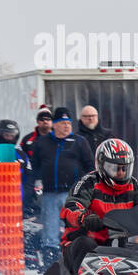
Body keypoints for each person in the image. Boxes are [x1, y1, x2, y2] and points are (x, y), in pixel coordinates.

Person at [59, 138, 138, 275]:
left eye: (125, 168)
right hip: (86, 243)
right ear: (102, 165)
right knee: (85, 243)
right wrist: (83, 217)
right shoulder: (88, 183)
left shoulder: (134, 186)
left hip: (117, 242)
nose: (121, 173)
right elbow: (71, 206)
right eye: (115, 168)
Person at [27, 107, 94, 266]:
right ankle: (51, 261)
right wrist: (35, 183)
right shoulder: (42, 143)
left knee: (73, 227)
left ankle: (75, 259)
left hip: (72, 193)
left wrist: (87, 188)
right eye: (63, 123)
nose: (66, 126)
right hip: (49, 193)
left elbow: (90, 166)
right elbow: (34, 166)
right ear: (54, 125)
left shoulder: (79, 142)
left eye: (69, 123)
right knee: (50, 229)